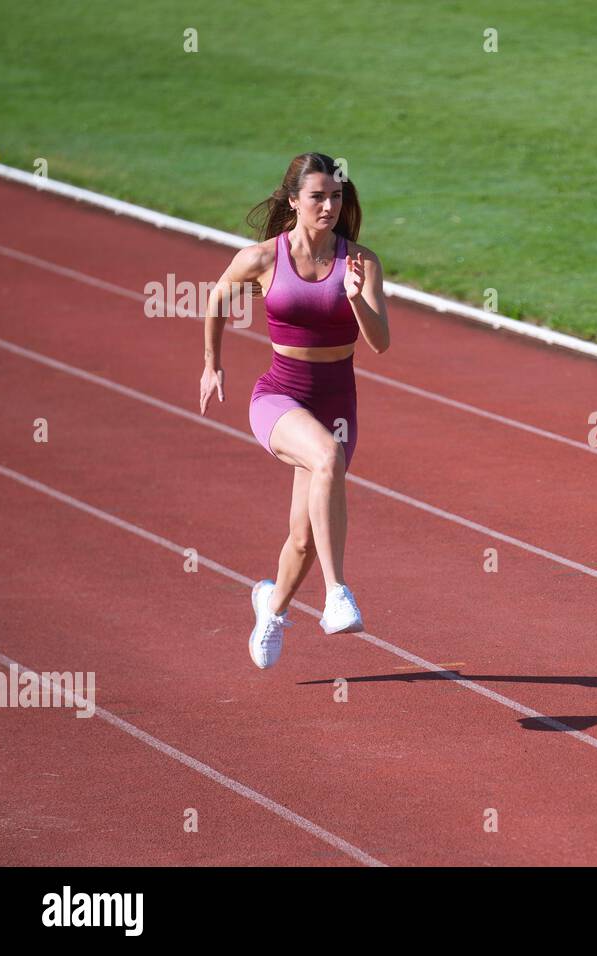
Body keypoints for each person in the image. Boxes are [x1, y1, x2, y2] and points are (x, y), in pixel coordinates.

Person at [198, 152, 390, 668]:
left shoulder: (361, 261)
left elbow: (380, 344)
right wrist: (212, 364)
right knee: (326, 457)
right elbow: (217, 298)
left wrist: (356, 300)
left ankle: (272, 607)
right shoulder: (262, 258)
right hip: (278, 398)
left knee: (304, 538)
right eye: (318, 197)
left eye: (336, 196)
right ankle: (337, 594)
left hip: (337, 404)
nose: (329, 205)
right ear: (293, 201)